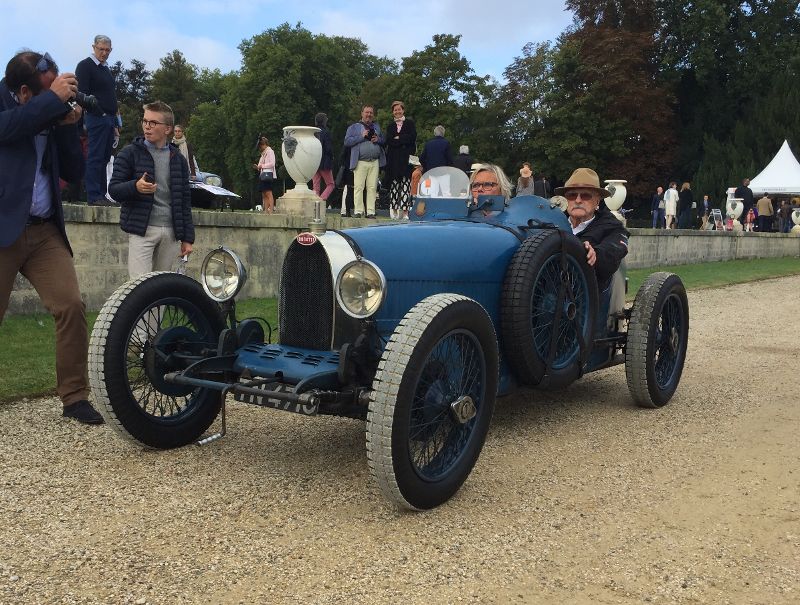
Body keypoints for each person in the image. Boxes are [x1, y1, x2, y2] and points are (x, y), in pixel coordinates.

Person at [0, 50, 102, 424]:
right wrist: (51, 103)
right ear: (25, 91)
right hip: (4, 229)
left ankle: (74, 397)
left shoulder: (54, 111)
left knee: (71, 306)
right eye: (47, 90)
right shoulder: (6, 103)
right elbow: (10, 128)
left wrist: (67, 126)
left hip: (43, 230)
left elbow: (74, 171)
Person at [109, 100, 195, 278]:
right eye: (145, 121)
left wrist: (187, 238)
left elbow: (184, 200)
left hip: (171, 233)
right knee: (139, 289)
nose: (147, 127)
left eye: (153, 123)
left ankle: (158, 308)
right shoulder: (129, 153)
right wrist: (135, 186)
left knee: (161, 289)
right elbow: (114, 189)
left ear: (168, 129)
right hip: (142, 230)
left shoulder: (178, 159)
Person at [555, 168, 629, 291]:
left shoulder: (612, 227)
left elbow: (614, 251)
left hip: (586, 296)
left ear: (597, 201)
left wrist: (594, 254)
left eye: (585, 195)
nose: (578, 200)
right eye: (572, 195)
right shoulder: (552, 222)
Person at [75, 35, 119, 207]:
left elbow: (111, 96)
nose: (104, 53)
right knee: (95, 156)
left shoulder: (106, 69)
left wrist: (114, 122)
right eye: (101, 49)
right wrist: (99, 113)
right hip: (96, 117)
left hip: (109, 118)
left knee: (105, 157)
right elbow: (82, 94)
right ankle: (93, 195)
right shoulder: (85, 66)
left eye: (107, 50)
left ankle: (101, 193)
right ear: (94, 47)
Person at [344, 105, 385, 218]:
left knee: (372, 187)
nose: (369, 115)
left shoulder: (377, 127)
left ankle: (370, 212)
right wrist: (361, 136)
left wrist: (379, 140)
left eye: (371, 113)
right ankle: (358, 211)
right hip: (360, 161)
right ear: (362, 113)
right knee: (359, 187)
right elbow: (347, 142)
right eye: (367, 112)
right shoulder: (354, 127)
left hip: (374, 161)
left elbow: (384, 140)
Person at [383, 101, 417, 220]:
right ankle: (394, 210)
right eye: (395, 110)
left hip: (406, 160)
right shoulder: (390, 126)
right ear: (393, 112)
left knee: (406, 186)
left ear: (403, 110)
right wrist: (402, 140)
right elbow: (389, 140)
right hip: (394, 160)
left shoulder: (410, 123)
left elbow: (412, 138)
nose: (397, 112)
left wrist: (399, 138)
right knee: (394, 186)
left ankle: (405, 211)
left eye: (399, 109)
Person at [312, 112, 335, 204]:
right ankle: (321, 200)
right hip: (325, 162)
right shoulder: (326, 132)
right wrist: (332, 156)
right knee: (330, 184)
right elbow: (328, 148)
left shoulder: (313, 132)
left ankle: (314, 204)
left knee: (315, 186)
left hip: (314, 162)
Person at [253, 136, 276, 213]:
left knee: (269, 193)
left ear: (264, 144)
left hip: (268, 174)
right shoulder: (263, 154)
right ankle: (266, 210)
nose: (260, 147)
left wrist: (262, 166)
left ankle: (271, 210)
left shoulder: (270, 152)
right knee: (264, 193)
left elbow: (272, 164)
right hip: (263, 175)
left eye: (261, 145)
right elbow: (260, 164)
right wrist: (258, 167)